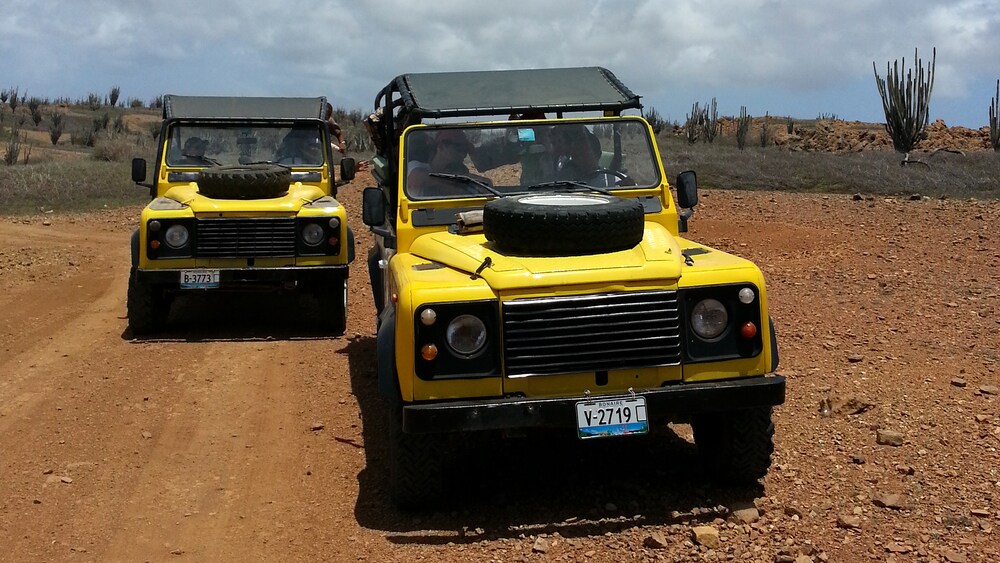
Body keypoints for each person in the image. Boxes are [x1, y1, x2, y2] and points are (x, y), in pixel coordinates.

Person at [406, 129, 492, 198]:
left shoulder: (458, 172)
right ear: (441, 146)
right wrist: (462, 181)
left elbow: (487, 185)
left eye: (465, 151)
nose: (463, 154)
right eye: (458, 149)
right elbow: (417, 179)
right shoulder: (415, 166)